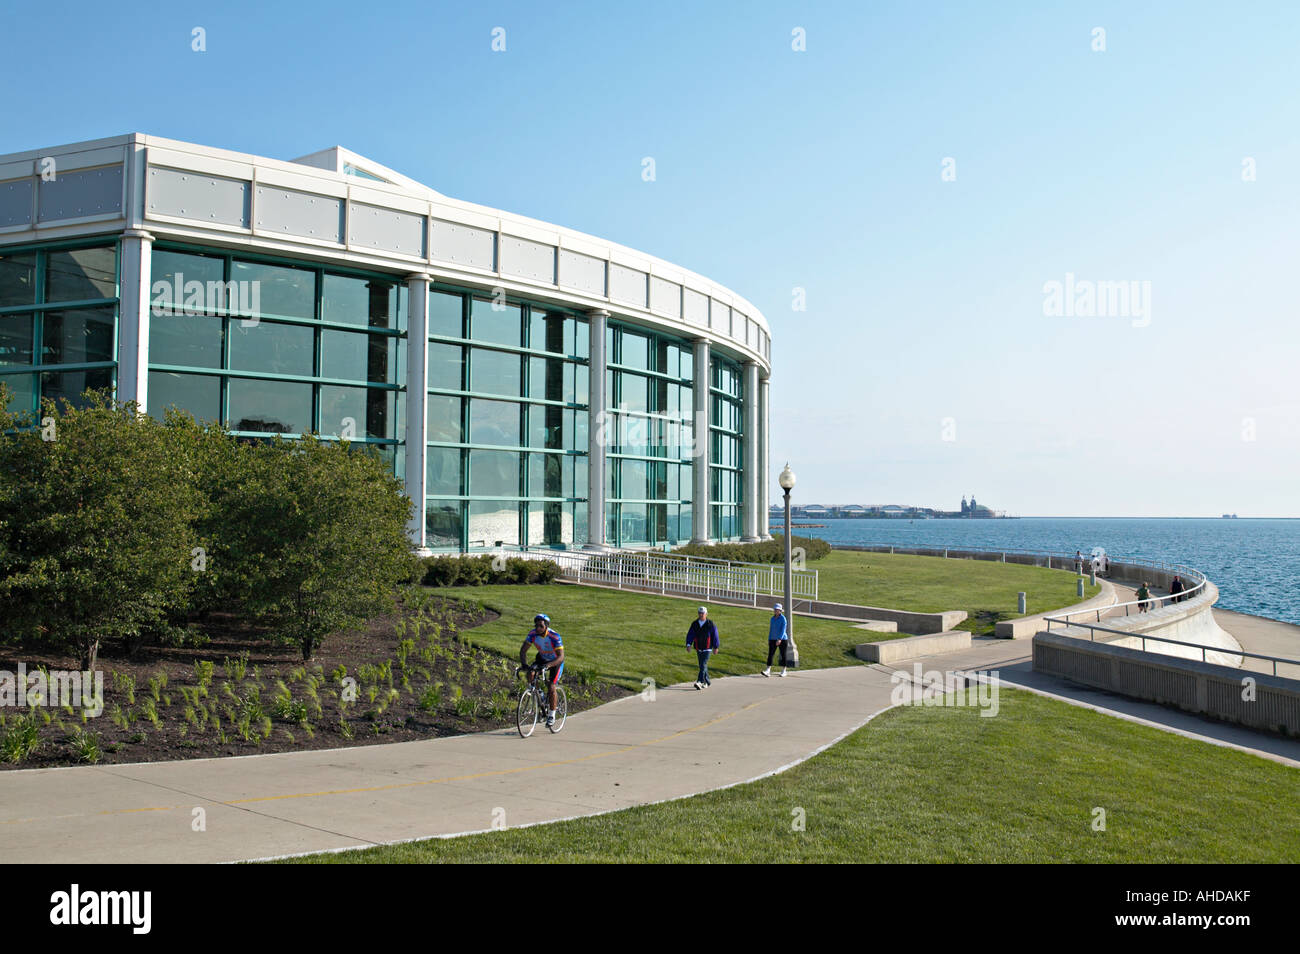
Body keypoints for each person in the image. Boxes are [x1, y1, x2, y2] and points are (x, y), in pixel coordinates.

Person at [519, 613, 565, 727]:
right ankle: (539, 694)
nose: (538, 628)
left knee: (551, 686)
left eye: (541, 626)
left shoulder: (554, 636)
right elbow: (523, 650)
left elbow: (561, 657)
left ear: (546, 626)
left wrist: (549, 665)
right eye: (536, 626)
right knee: (531, 673)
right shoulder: (533, 634)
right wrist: (524, 664)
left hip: (555, 662)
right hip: (542, 658)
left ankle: (551, 715)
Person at [686, 606, 720, 689]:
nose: (701, 615)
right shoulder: (695, 624)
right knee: (702, 665)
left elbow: (715, 635)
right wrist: (688, 644)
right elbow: (690, 634)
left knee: (703, 664)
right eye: (699, 613)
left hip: (707, 648)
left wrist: (716, 647)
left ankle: (700, 681)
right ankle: (707, 682)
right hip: (698, 647)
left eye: (702, 613)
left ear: (706, 614)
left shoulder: (710, 624)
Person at [763, 604, 789, 678]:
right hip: (772, 639)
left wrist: (779, 639)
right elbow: (771, 630)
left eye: (777, 610)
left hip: (782, 639)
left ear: (780, 610)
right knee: (770, 654)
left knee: (783, 655)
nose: (776, 611)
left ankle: (784, 671)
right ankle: (768, 670)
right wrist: (769, 638)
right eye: (775, 609)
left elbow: (783, 630)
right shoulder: (772, 619)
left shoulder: (783, 619)